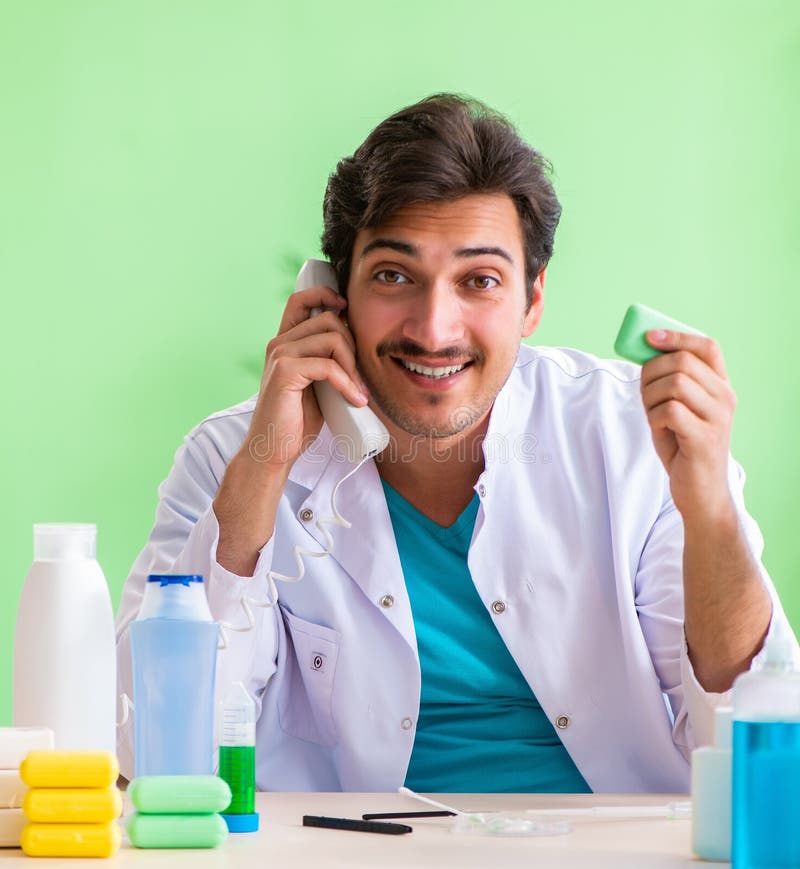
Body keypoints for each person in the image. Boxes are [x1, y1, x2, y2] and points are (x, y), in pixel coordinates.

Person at [116, 93, 795, 793]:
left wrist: (709, 504)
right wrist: (264, 472)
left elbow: (757, 733)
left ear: (533, 299)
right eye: (392, 275)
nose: (435, 328)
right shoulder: (232, 458)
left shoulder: (629, 435)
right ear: (331, 292)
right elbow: (149, 762)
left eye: (480, 281)